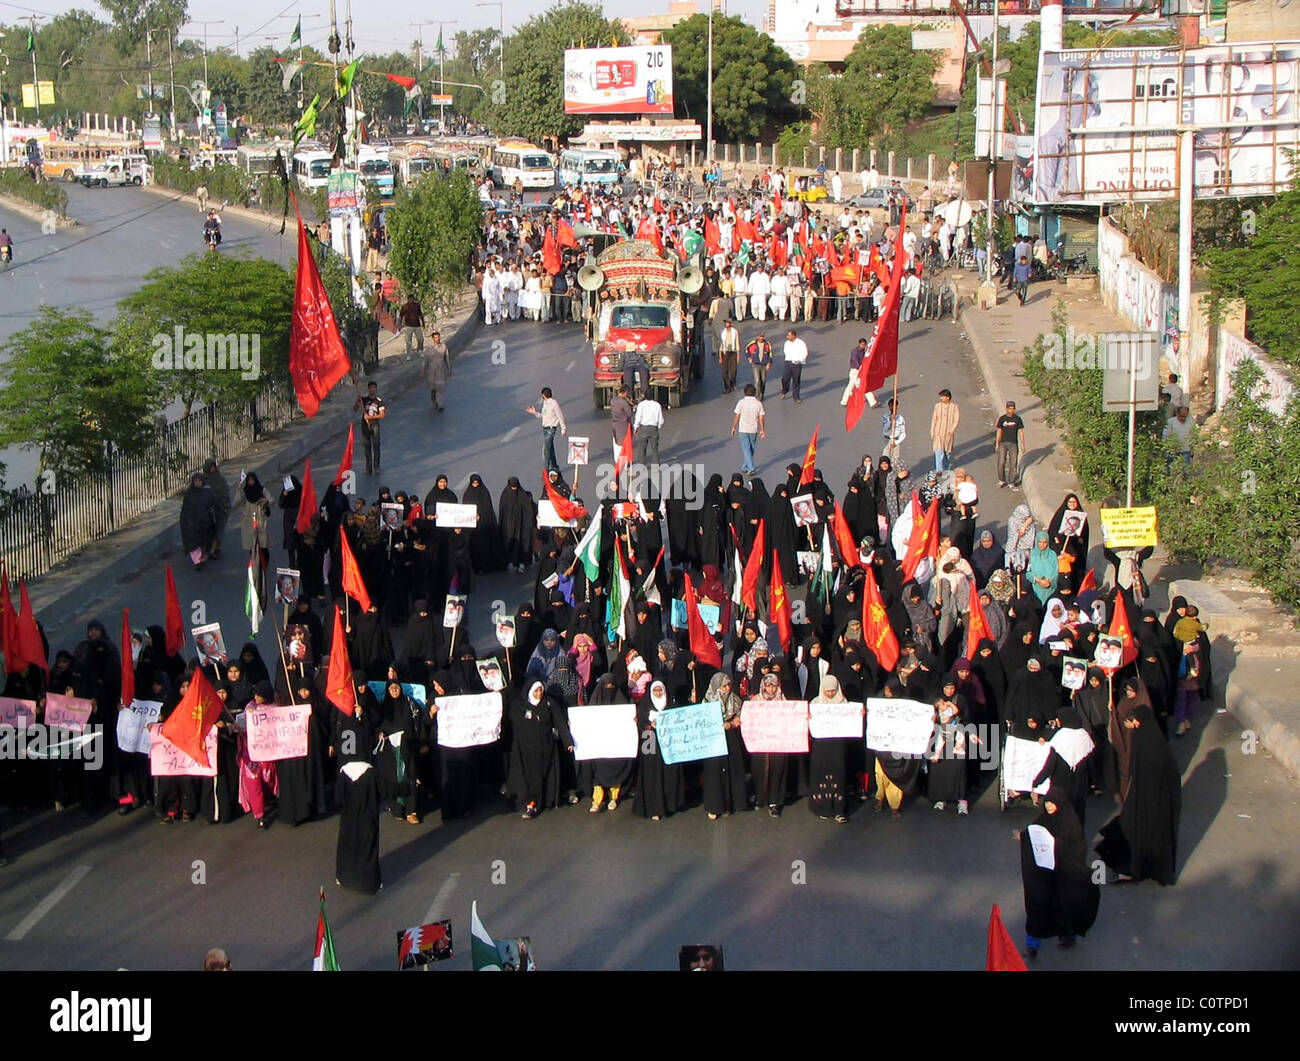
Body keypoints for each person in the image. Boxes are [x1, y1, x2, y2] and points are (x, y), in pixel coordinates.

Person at [1095, 698, 1181, 885]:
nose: (1132, 726)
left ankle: (1131, 870)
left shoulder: (1150, 748)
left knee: (1133, 833)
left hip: (1147, 804)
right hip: (1153, 805)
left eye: (1135, 722)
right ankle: (1136, 869)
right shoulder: (1153, 744)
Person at [1016, 783, 1101, 959]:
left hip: (1064, 875)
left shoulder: (1071, 824)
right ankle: (1032, 945)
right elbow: (1035, 832)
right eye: (1047, 803)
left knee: (1066, 905)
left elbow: (1077, 850)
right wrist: (1024, 836)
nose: (1048, 806)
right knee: (1037, 907)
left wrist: (1056, 845)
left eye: (1052, 803)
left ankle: (1068, 935)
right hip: (1045, 876)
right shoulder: (1044, 819)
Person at [180, 472, 218, 570]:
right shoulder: (190, 493)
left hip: (205, 522)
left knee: (204, 541)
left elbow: (213, 503)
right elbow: (185, 508)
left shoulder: (207, 491)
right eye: (195, 481)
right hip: (192, 522)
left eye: (199, 481)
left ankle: (202, 557)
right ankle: (197, 561)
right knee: (193, 542)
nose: (197, 483)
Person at [525, 387, 567, 474]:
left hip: (551, 429)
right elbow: (543, 415)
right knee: (550, 449)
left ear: (543, 395)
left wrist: (563, 429)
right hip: (545, 428)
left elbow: (560, 416)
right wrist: (535, 412)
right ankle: (555, 467)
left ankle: (546, 470)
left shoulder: (554, 403)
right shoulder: (545, 403)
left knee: (546, 450)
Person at [731, 384, 766, 478]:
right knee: (751, 448)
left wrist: (734, 427)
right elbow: (761, 417)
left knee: (747, 448)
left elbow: (737, 416)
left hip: (743, 429)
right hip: (753, 430)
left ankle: (748, 467)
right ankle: (748, 467)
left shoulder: (741, 402)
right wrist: (762, 430)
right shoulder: (758, 403)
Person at [354, 381, 387, 475]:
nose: (372, 389)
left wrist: (370, 417)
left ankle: (376, 467)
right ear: (368, 389)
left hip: (374, 425)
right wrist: (357, 401)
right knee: (367, 447)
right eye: (370, 388)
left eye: (374, 388)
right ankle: (368, 468)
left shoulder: (379, 401)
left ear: (376, 389)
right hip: (365, 425)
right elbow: (355, 409)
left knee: (376, 446)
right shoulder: (364, 400)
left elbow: (382, 415)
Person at [995, 401, 1025, 488]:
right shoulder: (1002, 419)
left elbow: (1020, 432)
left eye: (1012, 409)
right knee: (1001, 462)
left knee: (1013, 463)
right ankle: (1002, 480)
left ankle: (1011, 482)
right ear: (1006, 409)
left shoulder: (1017, 419)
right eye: (1009, 409)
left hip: (1013, 444)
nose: (1011, 411)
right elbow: (999, 431)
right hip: (1003, 443)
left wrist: (1023, 444)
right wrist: (997, 443)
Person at [930, 389, 960, 472]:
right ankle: (939, 469)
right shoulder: (937, 406)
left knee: (947, 452)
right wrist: (932, 431)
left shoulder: (954, 407)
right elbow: (934, 419)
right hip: (938, 432)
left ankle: (946, 467)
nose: (941, 398)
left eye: (942, 397)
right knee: (938, 451)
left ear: (948, 397)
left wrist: (952, 429)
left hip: (948, 433)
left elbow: (956, 419)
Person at [421, 330, 451, 412]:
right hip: (431, 372)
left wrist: (449, 369)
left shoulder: (444, 347)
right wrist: (423, 370)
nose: (437, 339)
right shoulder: (429, 349)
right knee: (433, 389)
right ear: (433, 339)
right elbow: (425, 361)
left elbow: (447, 358)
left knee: (440, 388)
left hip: (440, 371)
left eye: (438, 337)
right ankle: (434, 402)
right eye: (435, 337)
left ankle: (440, 404)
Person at [633, 392, 664, 467]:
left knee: (642, 448)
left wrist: (636, 427)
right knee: (655, 448)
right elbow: (661, 419)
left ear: (645, 397)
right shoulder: (657, 405)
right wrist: (658, 426)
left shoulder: (641, 405)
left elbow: (638, 417)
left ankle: (641, 465)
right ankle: (656, 465)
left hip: (644, 428)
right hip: (654, 428)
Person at [780, 328, 808, 403]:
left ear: (793, 335)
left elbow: (805, 352)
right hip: (788, 362)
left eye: (788, 335)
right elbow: (785, 351)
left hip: (797, 364)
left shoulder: (801, 343)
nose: (787, 337)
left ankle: (796, 397)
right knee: (785, 379)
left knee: (796, 380)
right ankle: (784, 391)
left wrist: (800, 360)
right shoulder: (787, 343)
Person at [840, 337, 868, 407]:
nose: (863, 346)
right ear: (859, 344)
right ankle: (873, 402)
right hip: (855, 371)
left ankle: (844, 401)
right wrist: (860, 368)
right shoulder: (855, 352)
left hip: (859, 371)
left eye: (864, 345)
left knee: (852, 386)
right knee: (861, 385)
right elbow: (855, 362)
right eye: (862, 344)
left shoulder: (864, 351)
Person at [745, 331, 773, 398]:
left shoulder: (767, 344)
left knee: (763, 381)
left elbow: (770, 354)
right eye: (760, 336)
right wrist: (749, 358)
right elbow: (746, 350)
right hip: (755, 364)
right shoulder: (753, 343)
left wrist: (769, 363)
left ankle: (762, 393)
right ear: (757, 336)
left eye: (762, 336)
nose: (761, 338)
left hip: (764, 364)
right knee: (757, 381)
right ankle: (757, 395)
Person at [610, 384, 634, 457]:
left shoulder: (613, 400)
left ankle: (618, 460)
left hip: (615, 425)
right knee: (623, 444)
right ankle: (624, 462)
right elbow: (629, 414)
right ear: (625, 392)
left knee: (616, 443)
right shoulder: (624, 402)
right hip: (623, 426)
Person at [719, 318, 740, 394]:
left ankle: (733, 383)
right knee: (724, 371)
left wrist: (738, 355)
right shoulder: (723, 332)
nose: (726, 324)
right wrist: (720, 356)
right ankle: (727, 387)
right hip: (725, 352)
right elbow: (721, 344)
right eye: (726, 323)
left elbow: (737, 342)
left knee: (733, 370)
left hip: (733, 352)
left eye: (728, 323)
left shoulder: (734, 332)